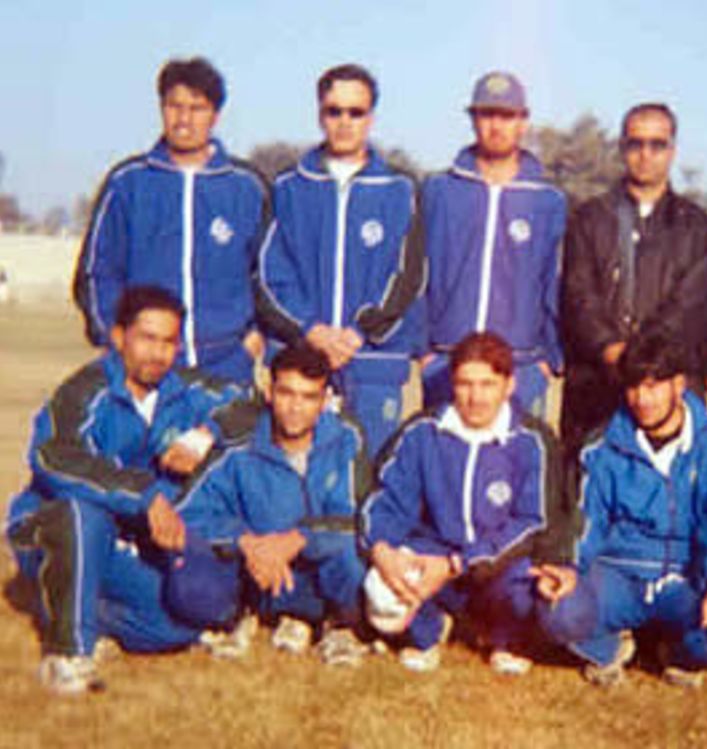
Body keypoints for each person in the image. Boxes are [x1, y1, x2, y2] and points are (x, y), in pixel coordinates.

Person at [6, 286, 240, 694]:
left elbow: (248, 403)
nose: (158, 353)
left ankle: (69, 605)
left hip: (121, 541)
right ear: (118, 338)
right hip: (49, 530)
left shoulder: (183, 388)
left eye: (169, 342)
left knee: (175, 624)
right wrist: (146, 495)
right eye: (147, 338)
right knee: (84, 511)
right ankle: (68, 653)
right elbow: (53, 458)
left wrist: (206, 434)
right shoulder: (84, 390)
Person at [361, 332, 575, 675]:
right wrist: (383, 551)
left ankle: (506, 638)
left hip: (496, 564)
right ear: (452, 383)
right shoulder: (423, 430)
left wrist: (458, 562)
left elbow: (533, 523)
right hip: (432, 556)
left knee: (528, 590)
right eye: (465, 384)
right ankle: (429, 629)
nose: (475, 397)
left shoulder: (533, 440)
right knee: (381, 591)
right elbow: (386, 499)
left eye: (487, 384)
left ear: (509, 385)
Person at [543, 334, 707, 688]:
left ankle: (676, 654)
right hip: (618, 572)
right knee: (555, 611)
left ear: (679, 384)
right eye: (634, 388)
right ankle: (609, 649)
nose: (643, 400)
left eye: (654, 387)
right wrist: (569, 567)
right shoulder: (601, 446)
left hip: (685, 575)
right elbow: (587, 520)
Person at [169, 344, 373, 666]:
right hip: (262, 569)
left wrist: (300, 538)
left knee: (352, 556)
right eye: (287, 393)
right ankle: (262, 613)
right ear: (268, 391)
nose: (295, 408)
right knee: (190, 588)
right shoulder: (239, 445)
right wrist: (245, 541)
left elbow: (361, 517)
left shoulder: (347, 437)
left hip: (322, 567)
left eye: (308, 397)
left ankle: (339, 625)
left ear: (324, 401)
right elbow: (187, 511)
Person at [257, 63, 423, 456]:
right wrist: (309, 331)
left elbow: (408, 276)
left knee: (370, 475)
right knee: (295, 476)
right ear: (320, 114)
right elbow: (268, 272)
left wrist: (359, 332)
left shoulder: (400, 189)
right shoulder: (288, 187)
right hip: (301, 364)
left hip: (371, 362)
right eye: (335, 111)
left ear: (371, 117)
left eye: (356, 112)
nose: (345, 122)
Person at [73, 57, 269, 384]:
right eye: (174, 106)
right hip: (145, 366)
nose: (184, 118)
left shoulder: (247, 186)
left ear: (215, 115)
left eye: (197, 108)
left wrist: (258, 340)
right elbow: (97, 270)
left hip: (227, 364)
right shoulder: (128, 182)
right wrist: (112, 336)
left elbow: (270, 274)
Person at [561, 102, 707, 456]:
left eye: (657, 144)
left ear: (672, 150)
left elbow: (690, 306)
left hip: (666, 388)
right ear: (622, 148)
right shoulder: (590, 218)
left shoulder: (695, 225)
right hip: (598, 383)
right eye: (636, 144)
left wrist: (645, 364)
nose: (645, 154)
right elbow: (578, 295)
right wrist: (610, 349)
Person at [418, 71, 566, 417]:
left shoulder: (547, 199)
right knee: (446, 462)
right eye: (487, 115)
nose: (496, 126)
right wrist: (423, 350)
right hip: (448, 357)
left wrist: (549, 357)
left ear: (523, 122)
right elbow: (418, 273)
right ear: (472, 119)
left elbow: (554, 279)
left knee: (513, 464)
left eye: (507, 115)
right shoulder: (439, 190)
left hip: (521, 362)